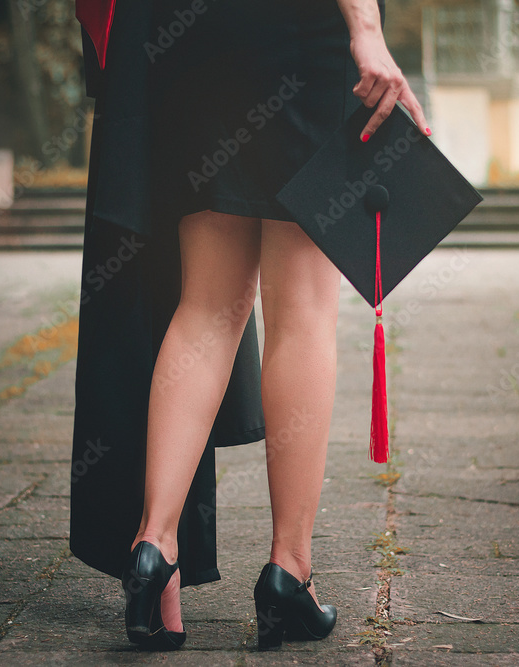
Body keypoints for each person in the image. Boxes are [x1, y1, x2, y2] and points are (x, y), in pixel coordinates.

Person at [69, 0, 429, 652]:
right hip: (300, 35)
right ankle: (288, 570)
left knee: (207, 305)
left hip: (192, 38)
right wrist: (366, 29)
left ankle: (153, 544)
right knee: (303, 312)